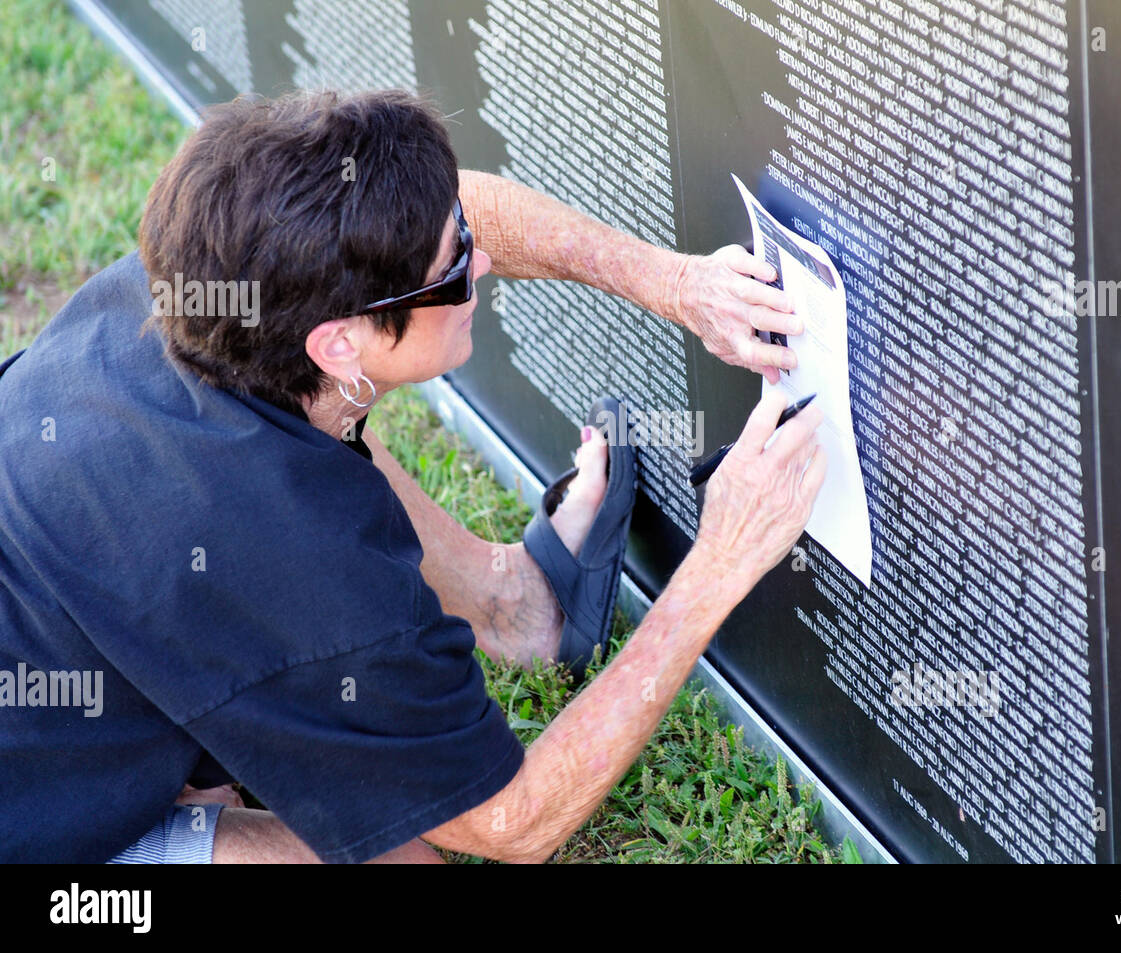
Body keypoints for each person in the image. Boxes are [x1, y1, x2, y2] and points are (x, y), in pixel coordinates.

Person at [0, 88, 825, 863]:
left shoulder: (205, 291)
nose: (485, 261)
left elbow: (450, 212)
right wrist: (720, 560)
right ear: (338, 342)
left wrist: (675, 282)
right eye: (456, 264)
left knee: (320, 422)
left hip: (79, 648)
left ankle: (520, 608)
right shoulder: (298, 563)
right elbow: (514, 818)